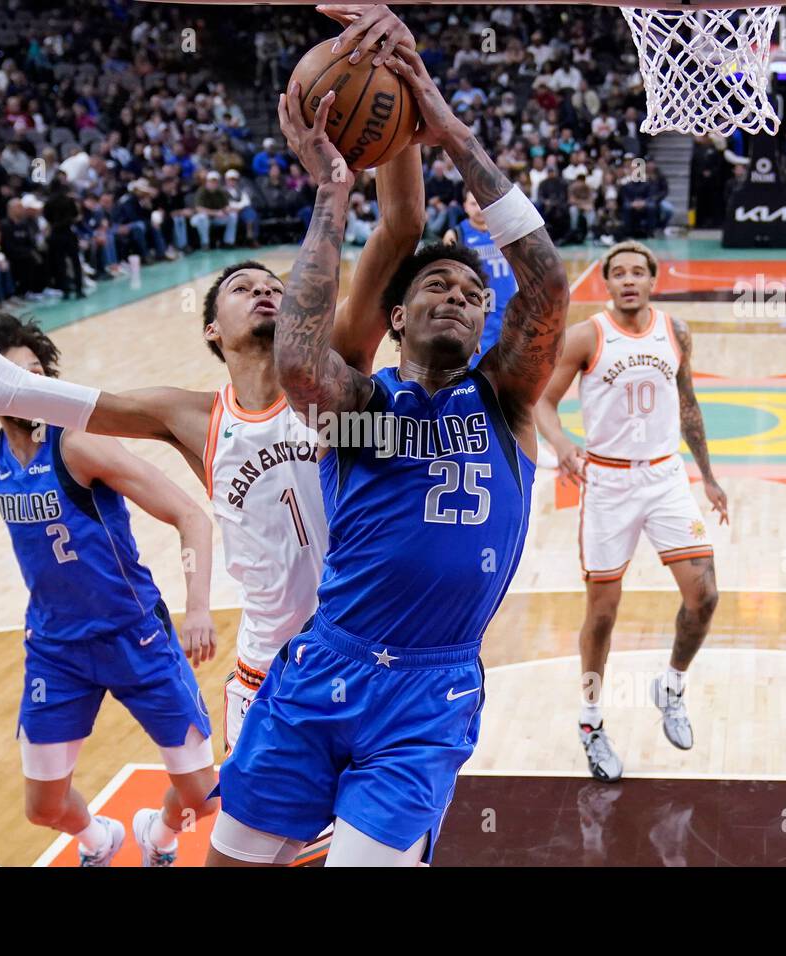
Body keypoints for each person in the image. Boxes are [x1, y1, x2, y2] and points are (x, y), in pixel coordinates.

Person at [0, 3, 425, 767]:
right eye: (241, 286)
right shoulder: (187, 415)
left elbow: (400, 227)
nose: (264, 290)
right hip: (268, 671)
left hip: (367, 656)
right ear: (210, 331)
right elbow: (7, 390)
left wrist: (395, 71)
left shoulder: (335, 373)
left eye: (273, 283)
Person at [205, 36, 568, 867]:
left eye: (474, 296)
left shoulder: (504, 406)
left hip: (428, 692)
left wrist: (452, 136)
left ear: (485, 327)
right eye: (437, 287)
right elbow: (299, 364)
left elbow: (545, 283)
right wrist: (334, 194)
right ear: (398, 319)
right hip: (320, 665)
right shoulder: (373, 417)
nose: (458, 298)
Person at [0, 314, 219, 867]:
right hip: (56, 650)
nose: (33, 384)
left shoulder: (79, 445)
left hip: (136, 637)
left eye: (39, 372)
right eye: (17, 375)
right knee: (43, 808)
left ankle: (157, 836)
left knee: (201, 797)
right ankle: (100, 841)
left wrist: (198, 607)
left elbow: (189, 516)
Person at [533, 241, 727, 783]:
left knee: (705, 596)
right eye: (617, 273)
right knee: (602, 614)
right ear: (607, 283)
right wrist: (564, 445)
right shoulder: (587, 336)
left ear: (652, 280)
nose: (628, 281)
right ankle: (591, 720)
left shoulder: (675, 332)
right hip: (609, 483)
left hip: (665, 477)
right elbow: (542, 402)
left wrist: (707, 476)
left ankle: (671, 685)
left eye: (637, 272)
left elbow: (689, 405)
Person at [443, 190, 517, 367]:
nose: (479, 209)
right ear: (465, 207)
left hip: (509, 302)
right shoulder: (456, 235)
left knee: (511, 357)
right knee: (479, 356)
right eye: (473, 204)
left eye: (481, 203)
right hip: (480, 304)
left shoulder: (505, 230)